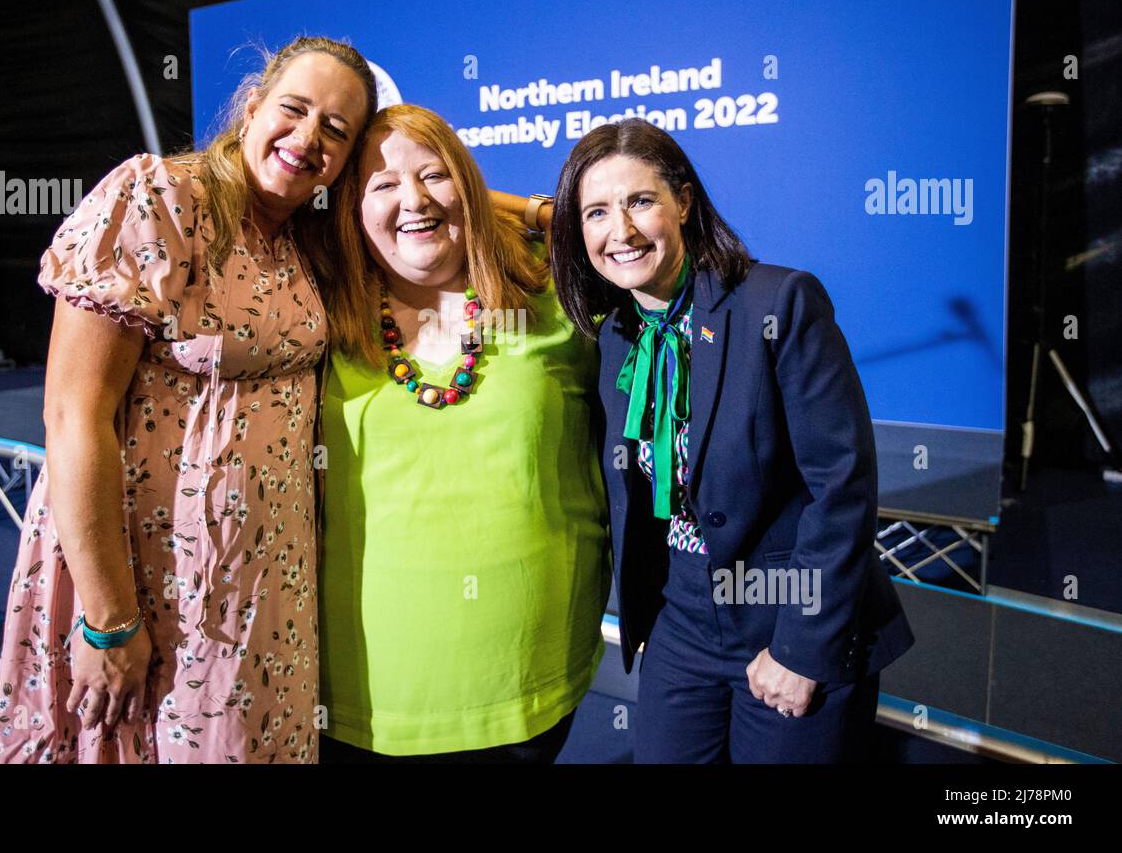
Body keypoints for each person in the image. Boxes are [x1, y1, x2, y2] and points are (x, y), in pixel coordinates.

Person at [0, 35, 376, 763]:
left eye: (335, 130)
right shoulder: (161, 197)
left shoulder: (300, 236)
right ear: (251, 108)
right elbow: (73, 416)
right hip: (148, 587)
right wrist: (108, 621)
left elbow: (433, 180)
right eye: (293, 110)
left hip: (266, 595)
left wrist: (552, 213)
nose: (307, 138)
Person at [545, 117, 915, 763]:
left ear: (683, 202)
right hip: (681, 621)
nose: (620, 231)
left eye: (639, 201)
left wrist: (801, 649)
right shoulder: (614, 339)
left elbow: (843, 488)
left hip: (785, 614)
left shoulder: (779, 303)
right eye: (596, 212)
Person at [312, 104, 610, 762]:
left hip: (528, 683)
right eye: (382, 185)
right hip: (363, 697)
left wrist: (529, 212)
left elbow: (675, 253)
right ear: (349, 210)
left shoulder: (554, 292)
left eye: (436, 175)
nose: (413, 199)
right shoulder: (320, 314)